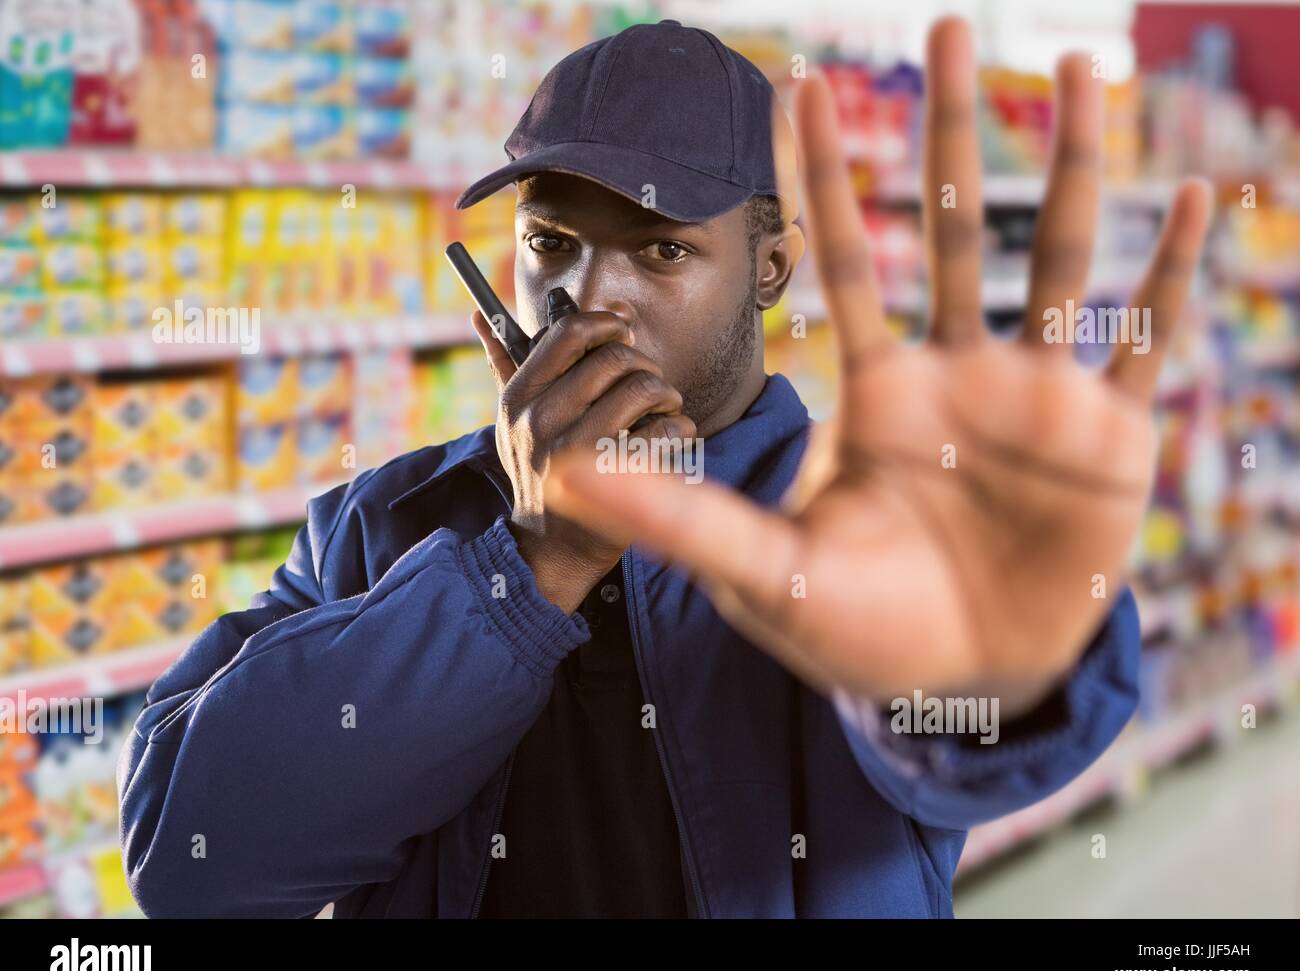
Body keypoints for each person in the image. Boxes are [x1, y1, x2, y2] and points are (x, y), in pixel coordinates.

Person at [118, 17, 1212, 918]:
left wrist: (995, 678)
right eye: (550, 240)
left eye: (660, 249)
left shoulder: (841, 522)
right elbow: (196, 864)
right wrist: (529, 564)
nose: (589, 296)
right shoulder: (385, 523)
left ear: (771, 268)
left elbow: (959, 742)